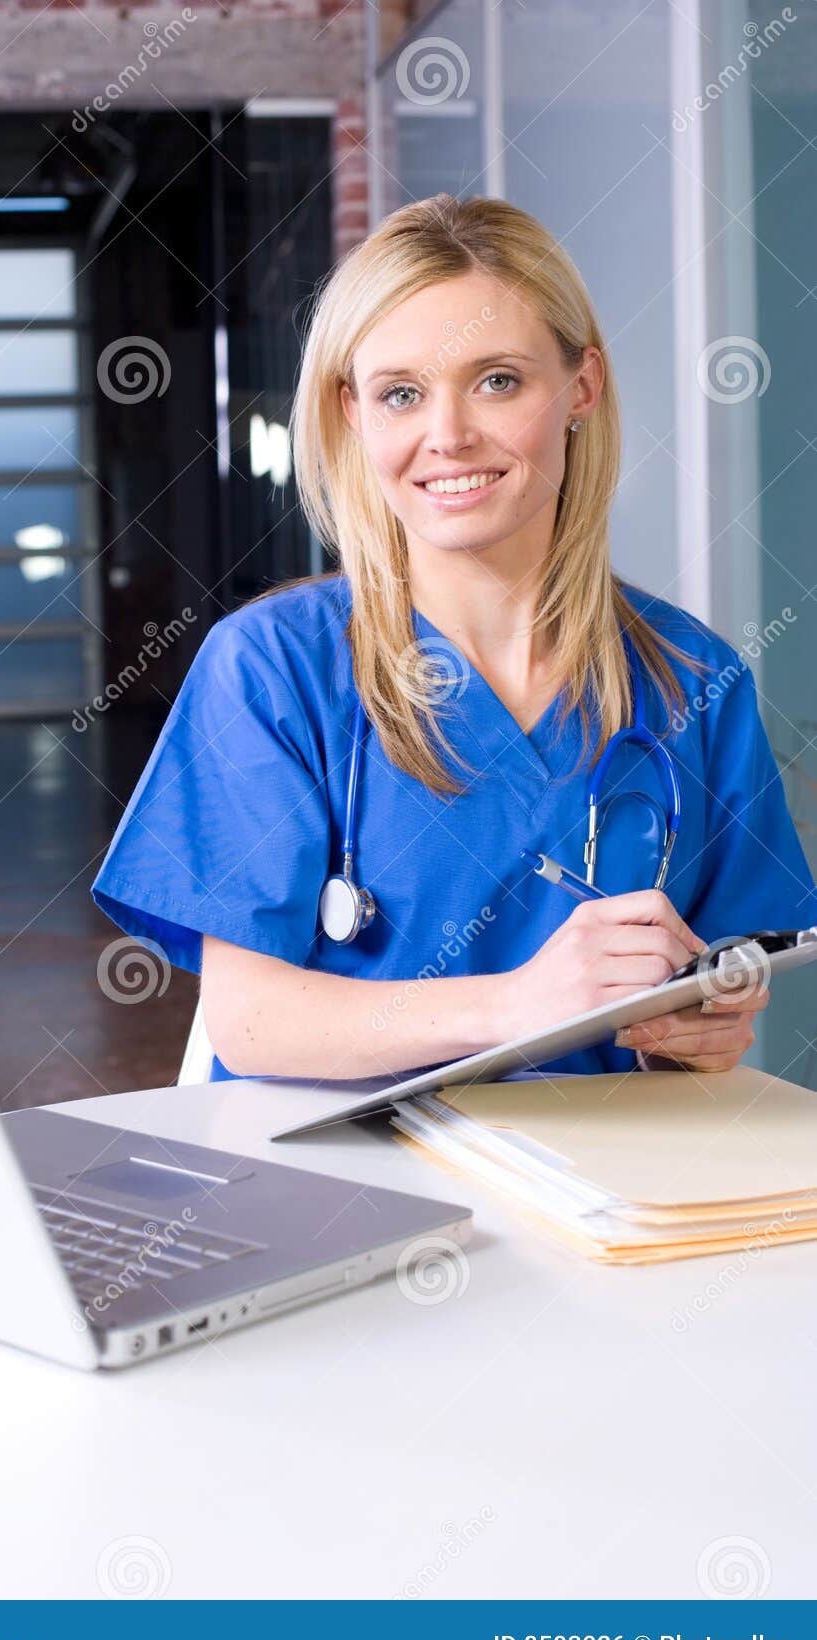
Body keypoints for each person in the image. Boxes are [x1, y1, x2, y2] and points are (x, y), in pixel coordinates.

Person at [91, 194, 817, 1083]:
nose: (447, 436)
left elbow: (731, 967)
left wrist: (709, 1021)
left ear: (580, 387)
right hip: (347, 1188)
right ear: (355, 416)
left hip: (597, 1179)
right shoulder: (273, 668)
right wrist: (515, 1003)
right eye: (401, 394)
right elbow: (250, 1023)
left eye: (497, 380)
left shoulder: (692, 678)